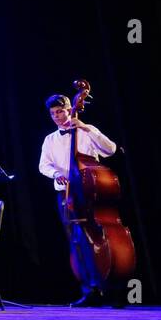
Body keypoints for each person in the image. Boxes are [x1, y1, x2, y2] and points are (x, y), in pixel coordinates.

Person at [39, 93, 121, 306]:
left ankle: (112, 286)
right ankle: (90, 290)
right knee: (77, 241)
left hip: (92, 193)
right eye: (53, 113)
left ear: (69, 109)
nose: (57, 116)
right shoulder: (50, 139)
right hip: (67, 196)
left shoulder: (87, 131)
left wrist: (85, 127)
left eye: (60, 111)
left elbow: (110, 149)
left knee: (99, 236)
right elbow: (43, 166)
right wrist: (56, 174)